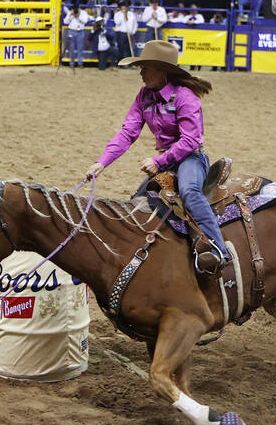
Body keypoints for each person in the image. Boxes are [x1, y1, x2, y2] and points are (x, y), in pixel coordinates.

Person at [85, 40, 229, 274]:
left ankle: (218, 250)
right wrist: (102, 162)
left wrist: (158, 161)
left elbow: (191, 140)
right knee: (137, 203)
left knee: (190, 192)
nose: (141, 73)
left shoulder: (185, 97)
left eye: (145, 68)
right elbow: (128, 132)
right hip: (166, 159)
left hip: (190, 158)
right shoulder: (144, 96)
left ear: (161, 71)